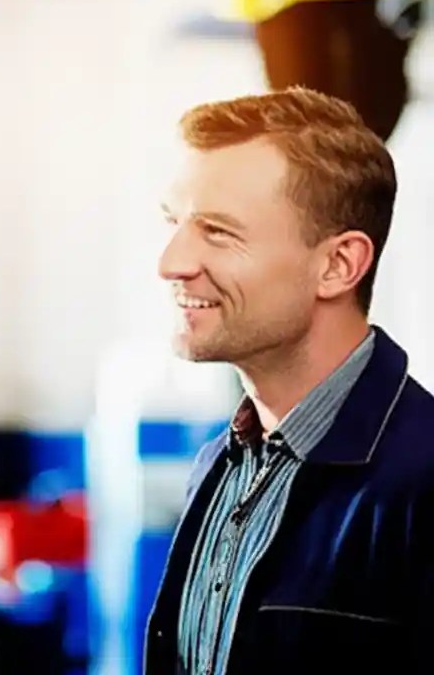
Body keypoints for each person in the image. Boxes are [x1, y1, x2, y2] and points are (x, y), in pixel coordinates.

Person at [147, 87, 434, 674]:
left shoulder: (425, 483)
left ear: (338, 265)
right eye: (174, 223)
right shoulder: (220, 467)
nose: (171, 262)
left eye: (218, 232)